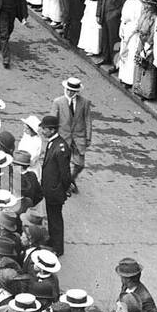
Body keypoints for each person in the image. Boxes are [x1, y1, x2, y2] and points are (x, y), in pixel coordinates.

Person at [51, 77, 92, 195]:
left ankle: (70, 179)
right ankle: (65, 183)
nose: (69, 92)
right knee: (63, 163)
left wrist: (88, 137)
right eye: (68, 90)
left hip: (79, 138)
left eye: (72, 91)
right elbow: (53, 120)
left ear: (77, 92)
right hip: (63, 137)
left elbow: (88, 120)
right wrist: (53, 137)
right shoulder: (58, 102)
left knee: (80, 164)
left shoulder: (84, 102)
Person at [39, 115, 71, 256]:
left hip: (55, 191)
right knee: (52, 217)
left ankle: (58, 248)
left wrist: (61, 190)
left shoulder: (60, 147)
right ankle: (53, 241)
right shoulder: (54, 143)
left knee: (55, 219)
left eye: (44, 129)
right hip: (51, 189)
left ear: (52, 130)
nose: (42, 131)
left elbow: (65, 174)